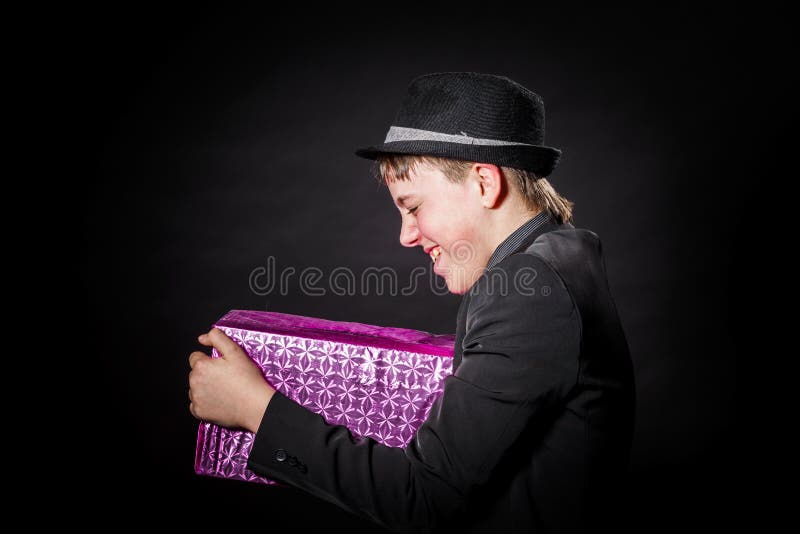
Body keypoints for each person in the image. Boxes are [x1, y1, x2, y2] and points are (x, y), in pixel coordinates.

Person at [188, 72, 635, 533]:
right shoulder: (558, 259)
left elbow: (425, 497)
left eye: (414, 206)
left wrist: (255, 410)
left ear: (484, 183)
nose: (406, 235)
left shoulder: (525, 289)